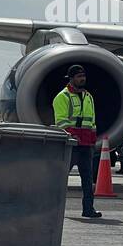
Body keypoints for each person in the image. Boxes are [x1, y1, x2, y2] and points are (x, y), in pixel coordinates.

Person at [52, 64, 102, 219]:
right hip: (71, 144)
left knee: (87, 180)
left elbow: (91, 121)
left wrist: (93, 139)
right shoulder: (63, 96)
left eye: (84, 76)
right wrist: (72, 135)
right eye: (79, 76)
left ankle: (88, 209)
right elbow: (61, 121)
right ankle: (51, 208)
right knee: (60, 179)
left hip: (87, 144)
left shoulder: (88, 96)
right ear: (71, 78)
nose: (83, 79)